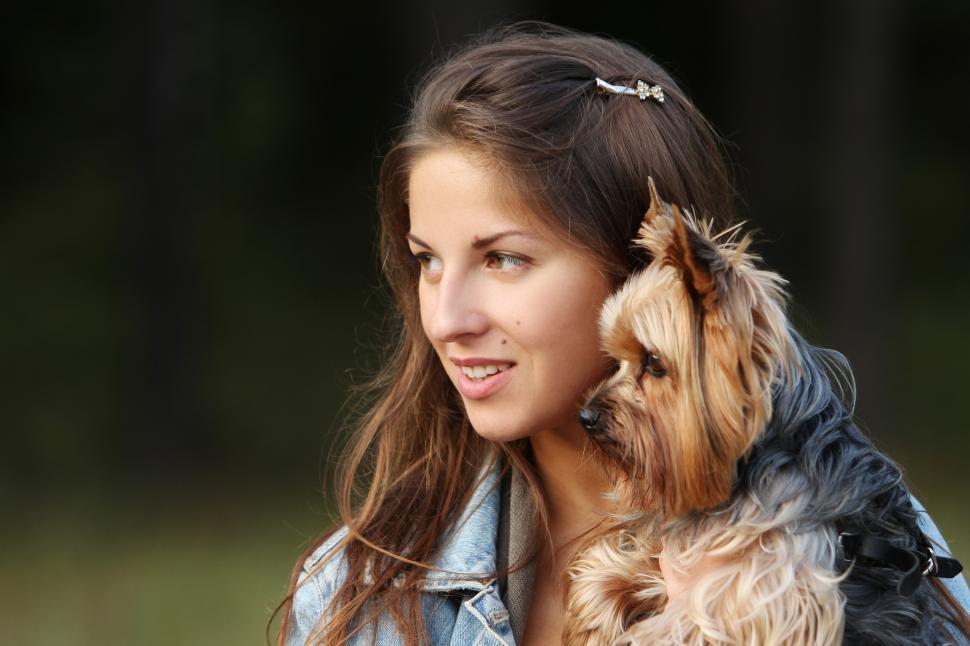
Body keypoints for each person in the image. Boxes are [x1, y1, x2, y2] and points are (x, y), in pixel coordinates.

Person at [276, 22, 970, 645]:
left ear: (649, 273)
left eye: (504, 259)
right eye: (427, 260)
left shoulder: (875, 556)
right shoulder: (354, 598)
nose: (447, 319)